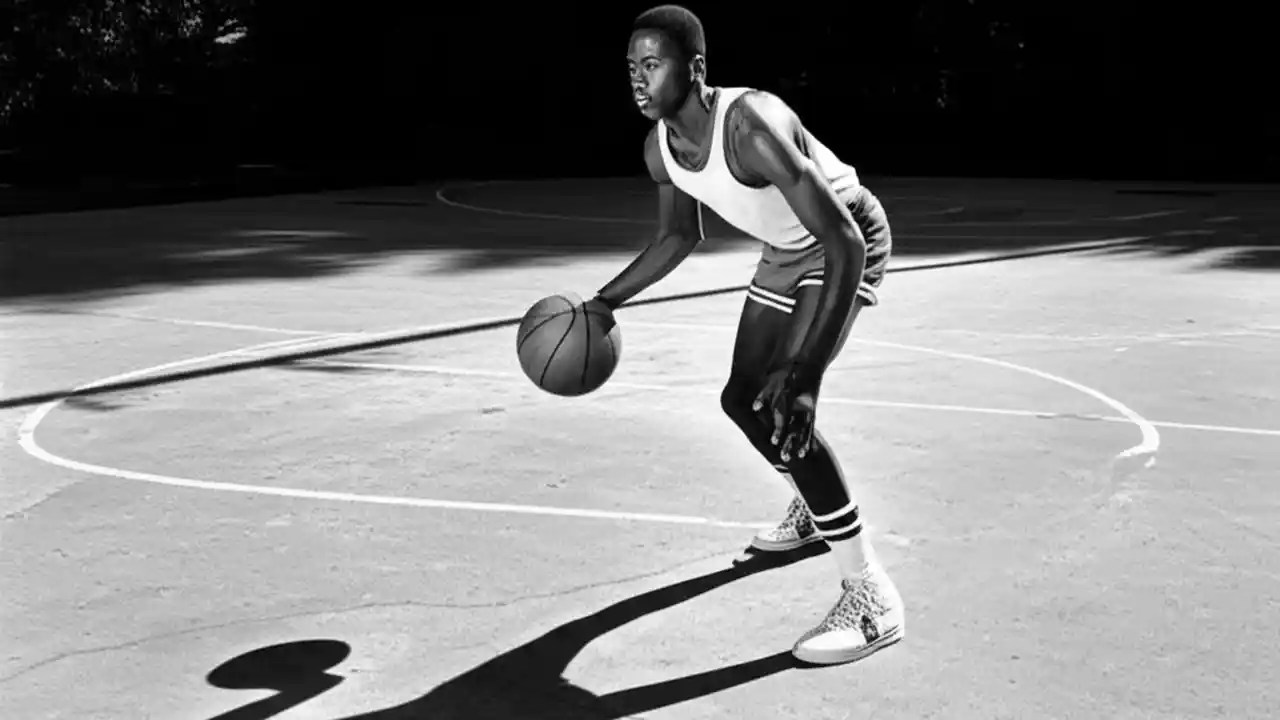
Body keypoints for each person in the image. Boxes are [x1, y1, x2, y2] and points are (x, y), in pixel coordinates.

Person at [589, 5, 902, 666]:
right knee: (742, 399)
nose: (639, 79)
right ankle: (813, 507)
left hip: (844, 234)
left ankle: (871, 596)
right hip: (787, 249)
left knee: (785, 406)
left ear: (696, 68)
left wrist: (808, 374)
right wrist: (602, 303)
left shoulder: (750, 125)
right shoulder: (660, 148)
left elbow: (844, 241)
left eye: (653, 64)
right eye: (631, 66)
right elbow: (677, 236)